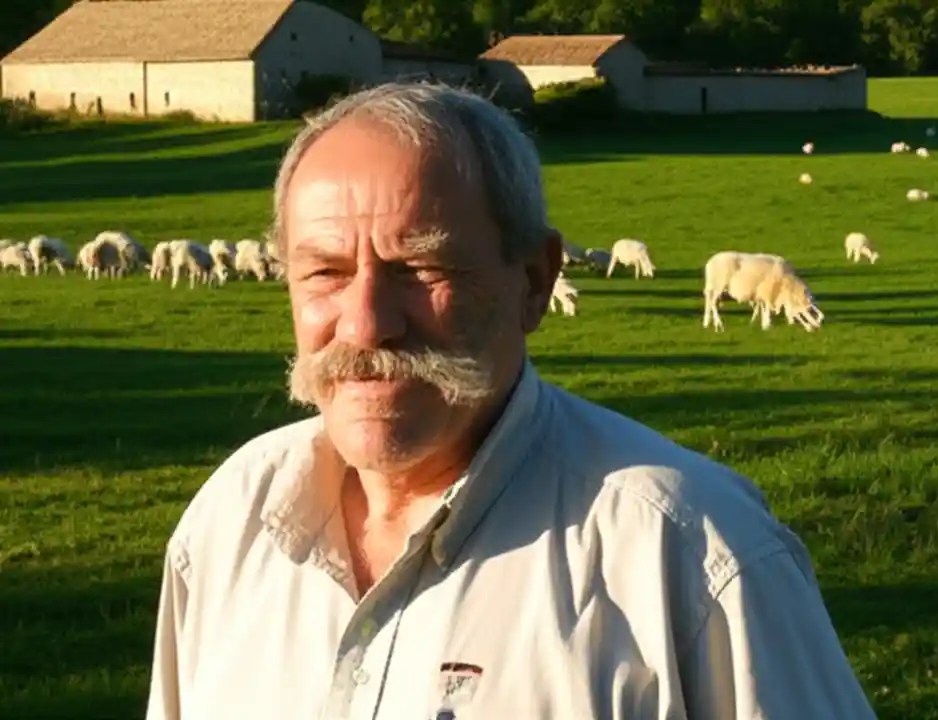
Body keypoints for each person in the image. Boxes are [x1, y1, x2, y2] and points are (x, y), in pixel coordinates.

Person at [145, 81, 878, 720]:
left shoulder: (688, 556)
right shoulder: (231, 523)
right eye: (325, 273)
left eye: (420, 268)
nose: (366, 322)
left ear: (534, 282)